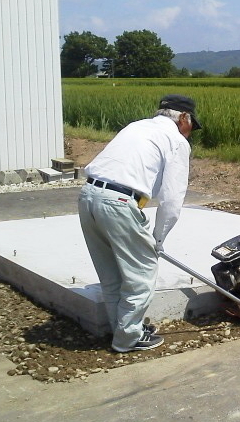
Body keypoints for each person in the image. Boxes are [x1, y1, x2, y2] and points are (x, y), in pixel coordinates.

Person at [78, 94, 200, 352]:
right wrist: (157, 239)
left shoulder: (137, 126)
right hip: (119, 202)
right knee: (141, 275)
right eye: (191, 125)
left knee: (112, 275)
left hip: (88, 196)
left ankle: (122, 330)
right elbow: (171, 200)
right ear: (183, 118)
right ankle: (128, 338)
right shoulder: (176, 140)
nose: (191, 132)